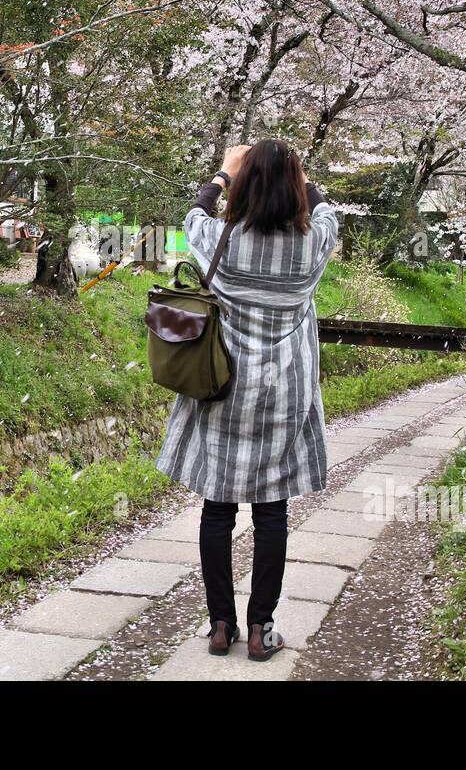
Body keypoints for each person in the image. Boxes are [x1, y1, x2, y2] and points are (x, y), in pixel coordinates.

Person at [156, 140, 340, 662]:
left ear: (244, 188)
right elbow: (325, 208)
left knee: (217, 507)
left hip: (224, 386)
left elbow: (193, 213)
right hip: (285, 393)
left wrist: (225, 172)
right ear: (295, 187)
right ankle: (261, 628)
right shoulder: (314, 244)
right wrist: (294, 171)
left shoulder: (219, 240)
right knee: (271, 511)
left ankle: (220, 625)